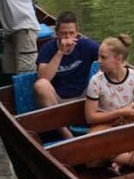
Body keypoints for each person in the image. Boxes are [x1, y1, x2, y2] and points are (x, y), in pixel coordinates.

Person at [85, 34, 134, 175]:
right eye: (99, 56)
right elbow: (90, 117)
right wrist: (120, 112)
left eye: (103, 57)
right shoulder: (96, 81)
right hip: (106, 125)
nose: (99, 61)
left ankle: (119, 160)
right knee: (91, 148)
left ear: (118, 59)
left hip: (130, 122)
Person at [35, 11, 99, 139]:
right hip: (58, 100)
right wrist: (60, 52)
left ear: (77, 32)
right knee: (40, 85)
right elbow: (43, 78)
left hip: (84, 95)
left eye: (71, 33)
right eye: (63, 33)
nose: (68, 37)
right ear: (57, 33)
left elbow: (109, 56)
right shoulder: (48, 48)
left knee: (106, 74)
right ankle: (66, 134)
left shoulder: (87, 45)